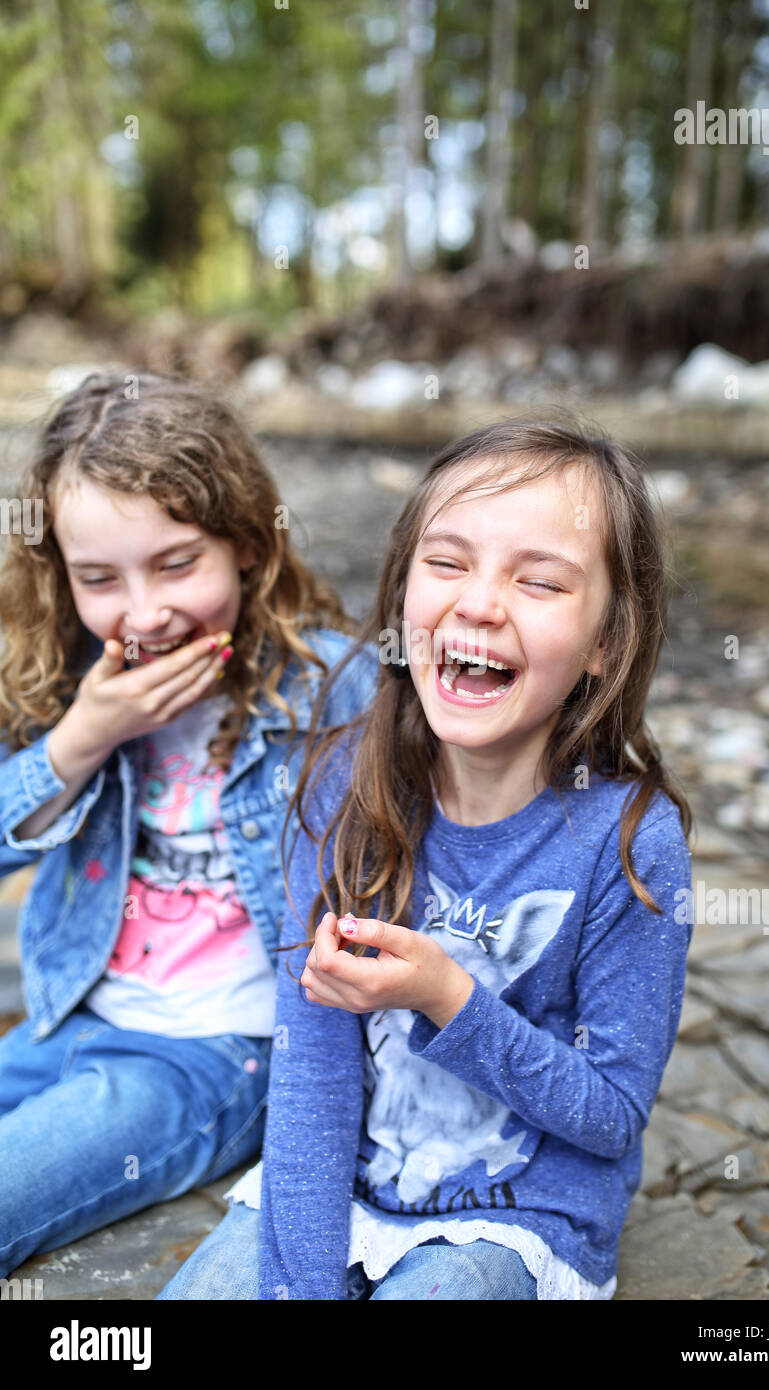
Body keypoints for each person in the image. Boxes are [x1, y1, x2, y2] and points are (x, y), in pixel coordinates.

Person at [160, 415, 693, 1301]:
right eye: (447, 563)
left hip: (516, 1217)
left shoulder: (631, 845)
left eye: (541, 581)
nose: (479, 603)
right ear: (405, 593)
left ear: (607, 642)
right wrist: (299, 1286)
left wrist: (447, 999)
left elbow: (609, 1118)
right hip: (350, 1183)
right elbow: (314, 1076)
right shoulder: (341, 787)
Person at [0, 371, 377, 1279]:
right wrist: (84, 738)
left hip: (219, 1054)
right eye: (99, 578)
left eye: (177, 564)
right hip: (66, 1017)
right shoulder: (70, 675)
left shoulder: (332, 683)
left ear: (247, 544)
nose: (143, 612)